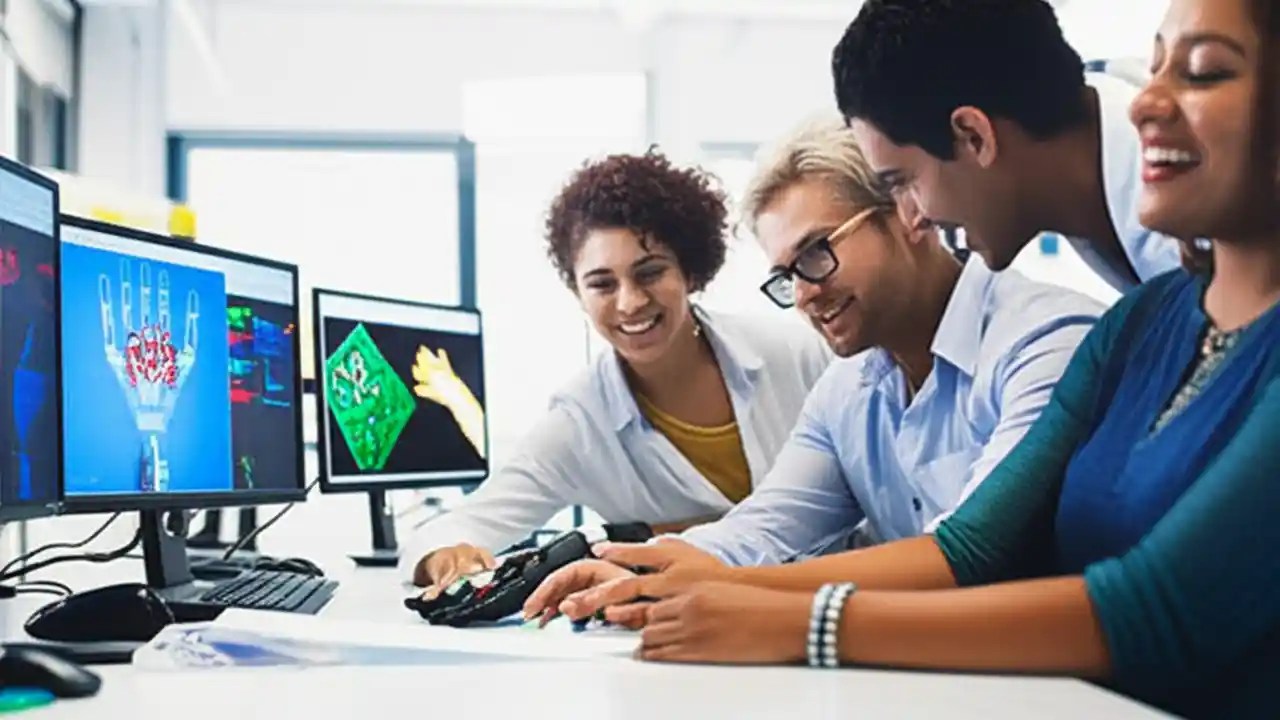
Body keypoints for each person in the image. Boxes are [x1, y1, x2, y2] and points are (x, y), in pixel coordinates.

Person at [524, 1, 1280, 716]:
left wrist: (793, 617)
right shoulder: (1138, 320)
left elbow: (1145, 605)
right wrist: (672, 569)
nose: (1142, 102)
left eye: (1205, 71)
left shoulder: (1054, 332)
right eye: (786, 276)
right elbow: (962, 540)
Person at [521, 114, 1102, 602]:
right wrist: (637, 569)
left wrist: (732, 585)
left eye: (817, 254)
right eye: (785, 276)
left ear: (909, 209)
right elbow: (766, 525)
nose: (803, 294)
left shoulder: (1043, 338)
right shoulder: (847, 388)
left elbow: (973, 549)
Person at [402, 150, 833, 592]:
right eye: (602, 284)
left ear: (690, 270)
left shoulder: (796, 354)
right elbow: (450, 531)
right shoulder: (580, 423)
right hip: (699, 634)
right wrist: (445, 557)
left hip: (844, 604)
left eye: (650, 273)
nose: (629, 302)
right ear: (578, 292)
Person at [833, 0, 1184, 292]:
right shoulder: (1089, 172)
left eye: (902, 181)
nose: (913, 218)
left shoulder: (1199, 225)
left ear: (974, 136)